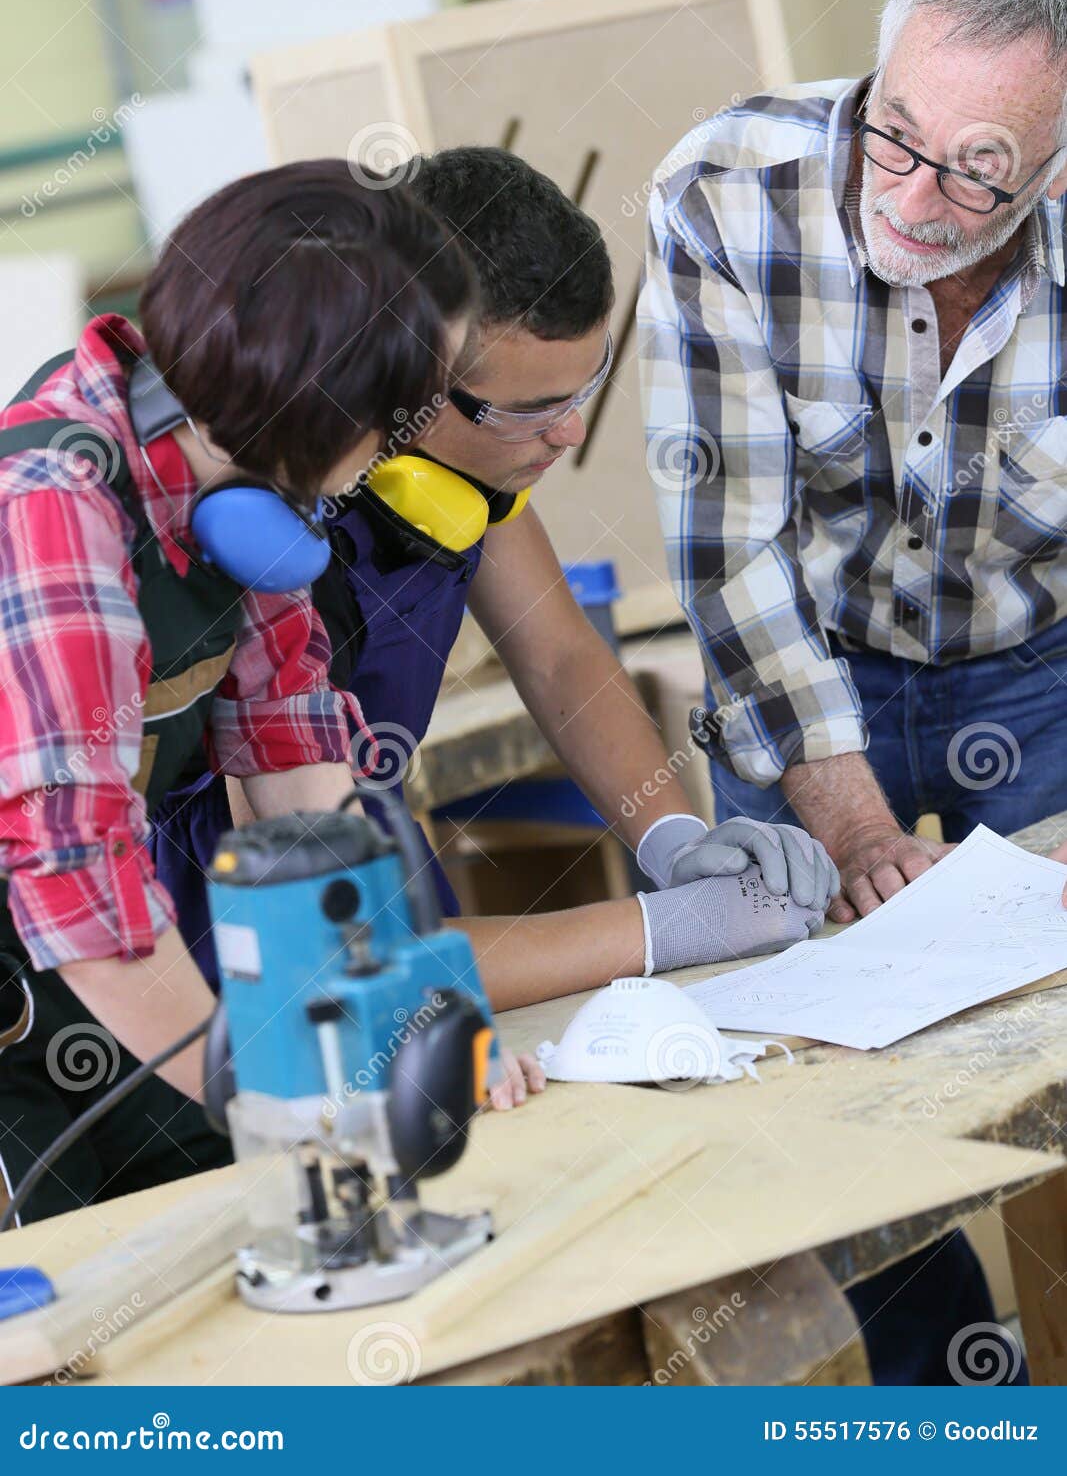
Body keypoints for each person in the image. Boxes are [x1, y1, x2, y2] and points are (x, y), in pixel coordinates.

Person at [638, 0, 1063, 1383]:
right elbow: (728, 550)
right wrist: (856, 828)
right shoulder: (723, 193)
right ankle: (934, 1398)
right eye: (894, 134)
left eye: (977, 171)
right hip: (800, 666)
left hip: (1038, 664)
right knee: (815, 1075)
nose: (913, 197)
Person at [151, 146, 836, 1017]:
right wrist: (668, 929)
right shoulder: (273, 551)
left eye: (584, 386)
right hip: (222, 950)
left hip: (374, 866)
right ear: (404, 377)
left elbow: (559, 658)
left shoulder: (464, 478)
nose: (569, 432)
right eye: (530, 409)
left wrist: (671, 839)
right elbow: (347, 958)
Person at [0, 158, 516, 1225]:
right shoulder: (52, 504)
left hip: (82, 965)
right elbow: (75, 877)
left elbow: (297, 767)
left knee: (231, 1215)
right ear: (317, 409)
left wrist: (407, 1015)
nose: (402, 442)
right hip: (52, 947)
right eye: (397, 413)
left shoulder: (233, 469)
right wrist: (290, 1104)